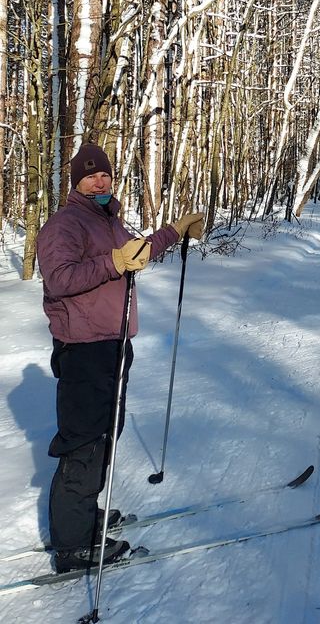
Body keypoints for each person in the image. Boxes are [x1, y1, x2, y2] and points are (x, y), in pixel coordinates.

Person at [36, 142, 204, 573]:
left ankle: (84, 517)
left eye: (105, 174)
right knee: (85, 443)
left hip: (113, 344)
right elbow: (59, 279)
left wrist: (175, 230)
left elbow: (138, 252)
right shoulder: (65, 224)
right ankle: (72, 547)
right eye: (90, 175)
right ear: (76, 182)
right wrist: (113, 262)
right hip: (83, 350)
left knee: (106, 435)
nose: (100, 180)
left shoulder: (108, 221)